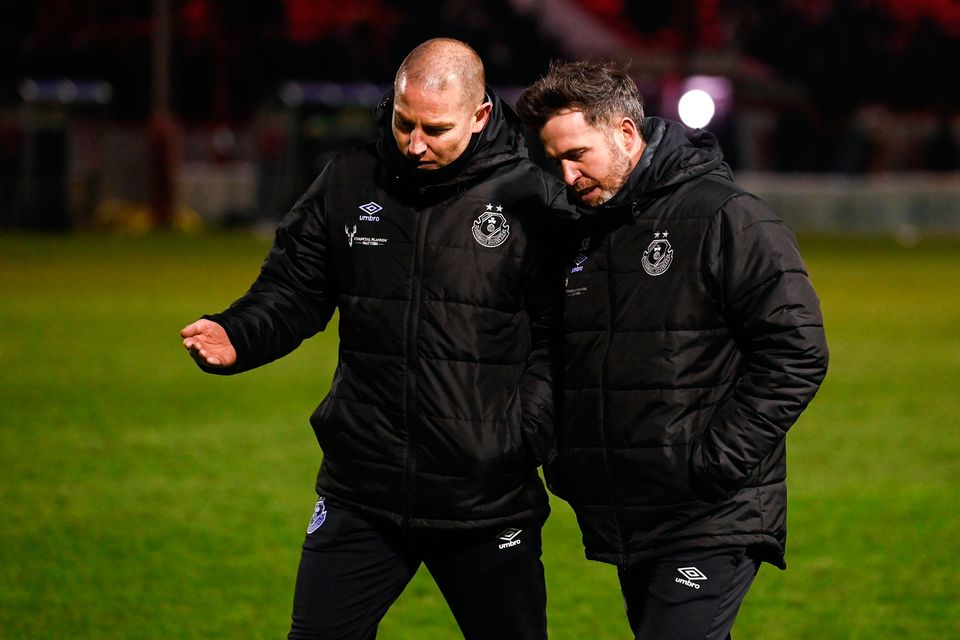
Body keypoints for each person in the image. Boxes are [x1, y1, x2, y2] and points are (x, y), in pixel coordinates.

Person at [181, 38, 571, 640]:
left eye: (435, 130)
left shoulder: (533, 200)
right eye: (403, 121)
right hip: (363, 484)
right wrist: (239, 334)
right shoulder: (348, 181)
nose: (415, 143)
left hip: (484, 497)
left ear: (481, 116)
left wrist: (519, 436)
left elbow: (562, 337)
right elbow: (293, 289)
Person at [516, 60, 829, 639]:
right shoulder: (584, 231)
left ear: (626, 134)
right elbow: (566, 355)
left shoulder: (727, 216)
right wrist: (564, 454)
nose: (566, 175)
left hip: (708, 514)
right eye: (555, 159)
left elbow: (797, 349)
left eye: (578, 154)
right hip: (631, 510)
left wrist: (713, 462)